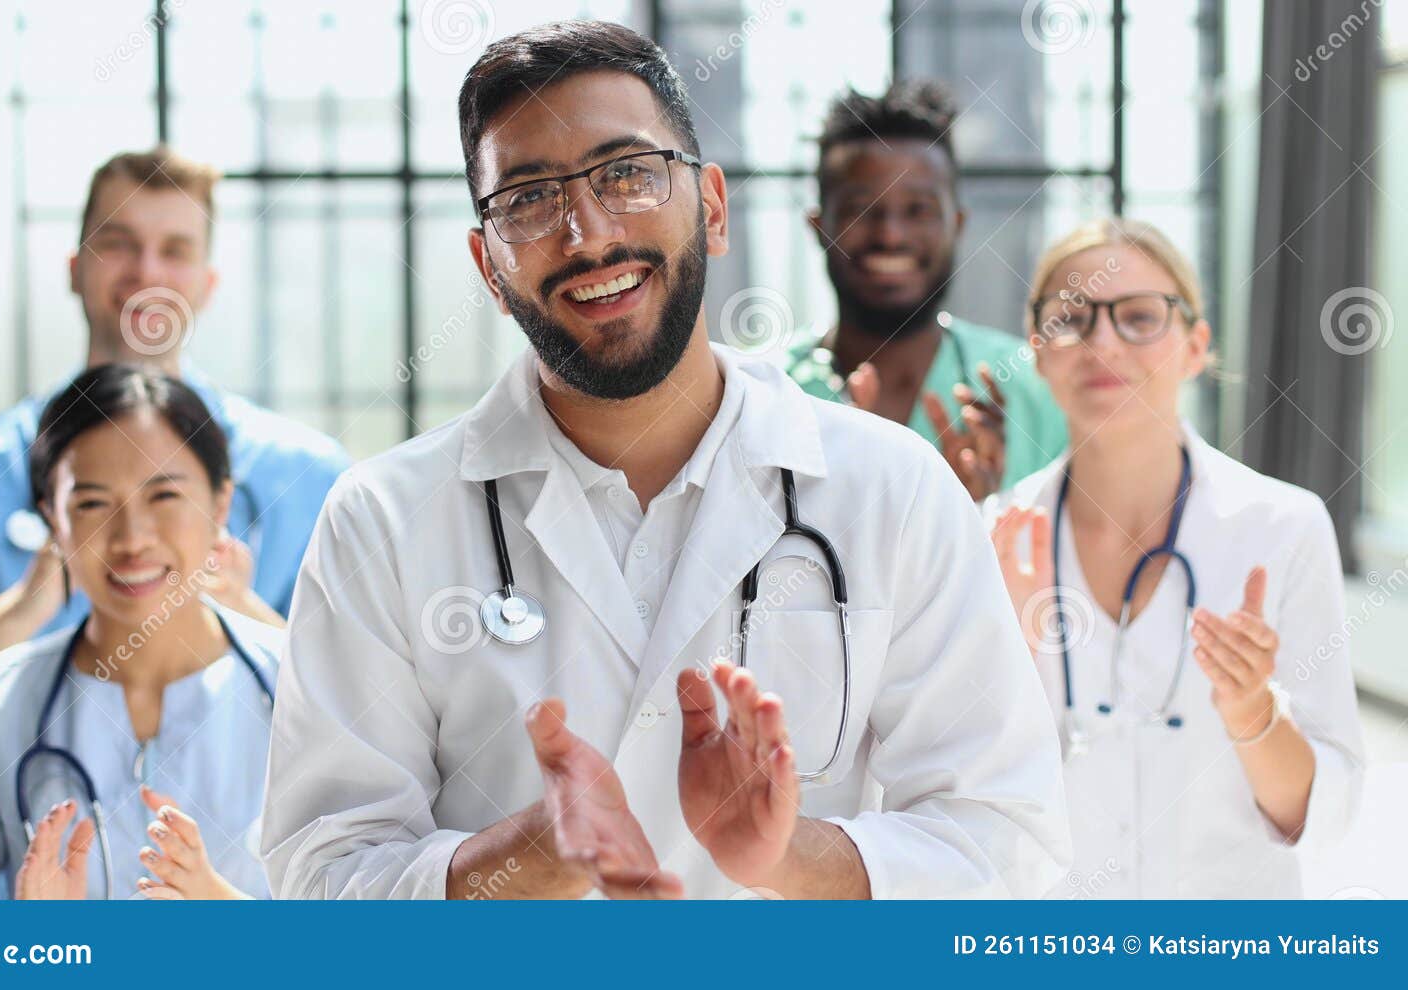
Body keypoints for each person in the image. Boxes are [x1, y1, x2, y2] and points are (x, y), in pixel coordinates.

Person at [262, 20, 1068, 901]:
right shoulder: (382, 519)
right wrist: (512, 864)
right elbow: (320, 869)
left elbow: (1007, 841)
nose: (588, 233)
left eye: (627, 174)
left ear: (712, 209)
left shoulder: (895, 490)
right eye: (528, 199)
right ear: (488, 267)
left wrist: (793, 856)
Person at [0, 147, 349, 747]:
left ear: (206, 286)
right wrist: (26, 608)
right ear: (75, 269)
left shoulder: (307, 474)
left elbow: (356, 717)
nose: (145, 272)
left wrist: (239, 609)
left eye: (174, 250)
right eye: (119, 243)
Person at [986, 218, 1365, 897]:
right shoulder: (996, 539)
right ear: (1039, 351)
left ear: (1195, 346)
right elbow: (963, 789)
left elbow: (1324, 814)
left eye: (1138, 317)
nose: (1102, 341)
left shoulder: (1283, 527)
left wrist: (1254, 714)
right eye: (1071, 318)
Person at [0, 365, 281, 900]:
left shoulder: (302, 689)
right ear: (52, 521)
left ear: (221, 502)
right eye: (92, 504)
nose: (132, 539)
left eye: (165, 496)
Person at [784, 83, 1067, 499]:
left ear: (957, 224)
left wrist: (978, 515)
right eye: (862, 210)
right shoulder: (764, 392)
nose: (890, 235)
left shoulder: (1036, 390)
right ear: (818, 227)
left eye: (918, 210)